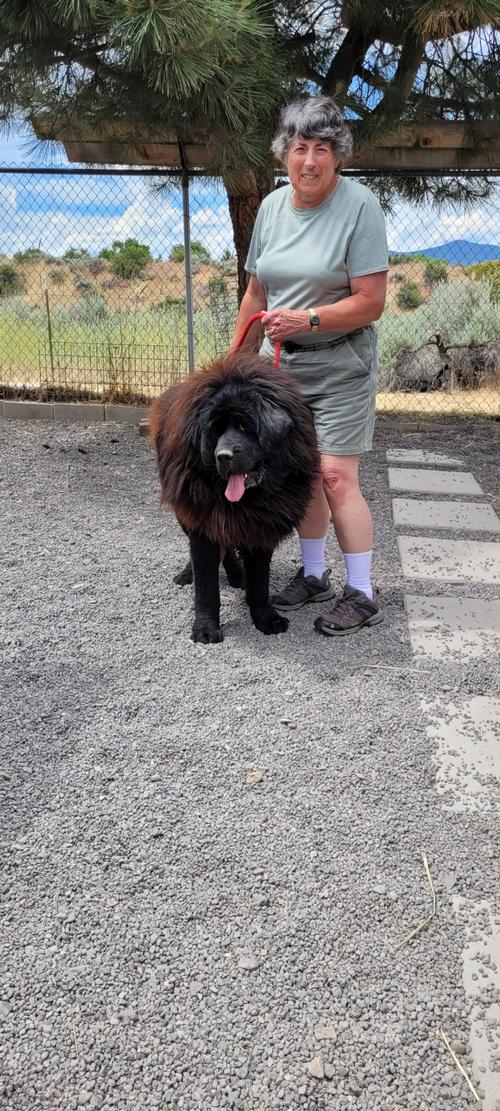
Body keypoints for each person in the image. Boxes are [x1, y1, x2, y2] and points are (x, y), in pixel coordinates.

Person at [230, 95, 389, 636]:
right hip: (281, 370)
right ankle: (316, 574)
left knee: (336, 477)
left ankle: (363, 592)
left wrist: (309, 321)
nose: (310, 160)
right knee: (301, 476)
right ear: (285, 153)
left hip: (341, 362)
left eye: (322, 149)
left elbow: (371, 301)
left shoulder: (360, 206)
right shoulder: (273, 209)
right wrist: (234, 365)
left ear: (337, 156)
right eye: (300, 148)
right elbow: (255, 292)